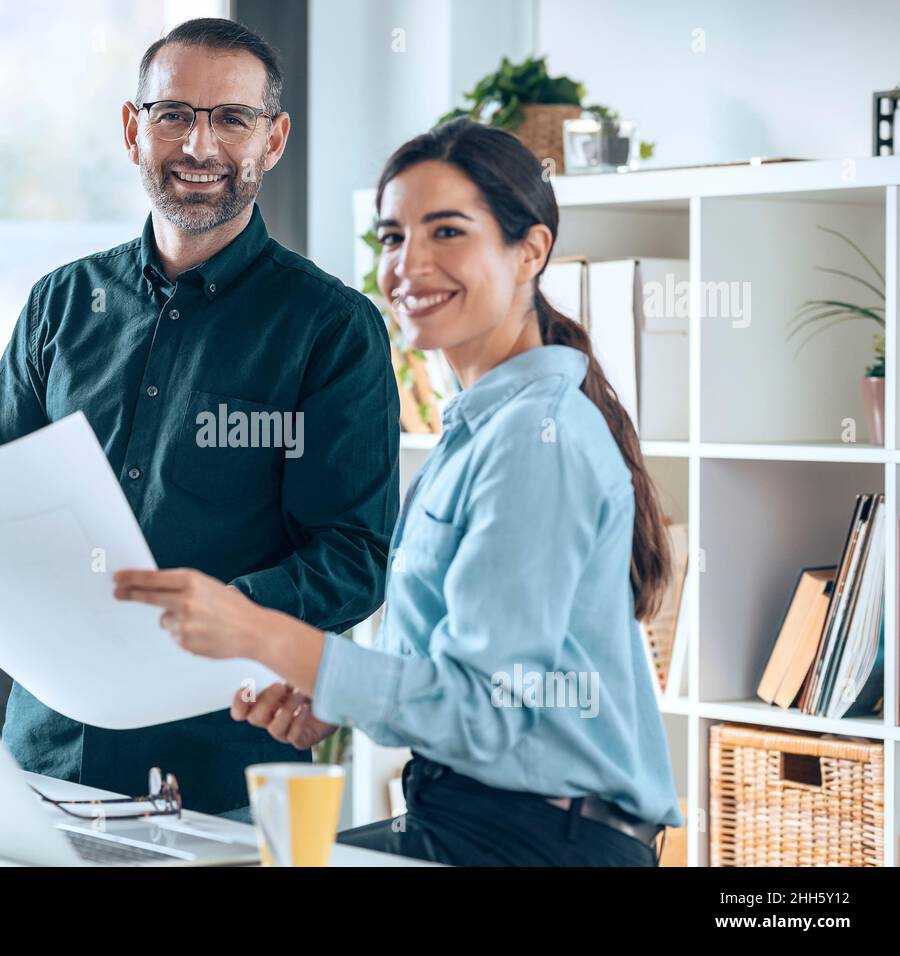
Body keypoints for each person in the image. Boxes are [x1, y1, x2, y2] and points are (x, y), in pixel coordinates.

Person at [0, 17, 399, 817]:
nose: (199, 146)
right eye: (173, 114)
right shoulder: (60, 304)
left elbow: (354, 558)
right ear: (134, 130)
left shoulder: (331, 329)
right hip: (42, 758)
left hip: (220, 770)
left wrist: (213, 612)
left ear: (274, 140)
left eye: (231, 119)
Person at [113, 116, 686, 865]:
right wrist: (331, 691)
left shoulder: (534, 442)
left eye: (447, 232)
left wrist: (264, 633)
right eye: (392, 237)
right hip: (469, 819)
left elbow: (488, 712)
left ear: (531, 251)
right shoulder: (479, 430)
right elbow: (452, 688)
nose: (408, 265)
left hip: (537, 843)